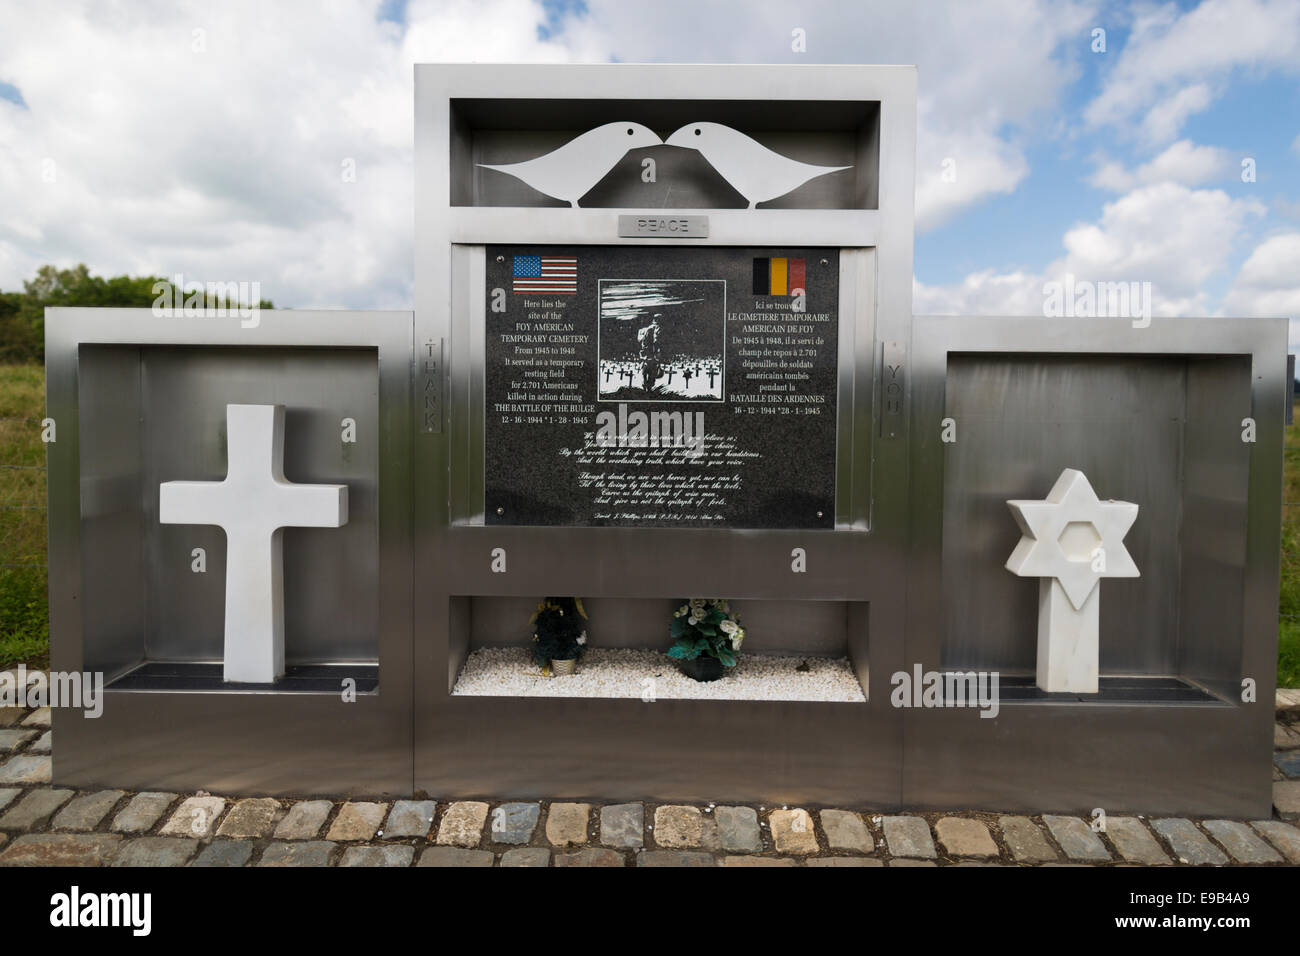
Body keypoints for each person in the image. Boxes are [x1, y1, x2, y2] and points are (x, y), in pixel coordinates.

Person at [637, 315, 662, 393]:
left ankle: (645, 386)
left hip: (646, 354)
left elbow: (640, 340)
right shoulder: (655, 329)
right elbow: (656, 341)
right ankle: (648, 388)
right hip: (651, 354)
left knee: (646, 372)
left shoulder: (643, 330)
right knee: (652, 372)